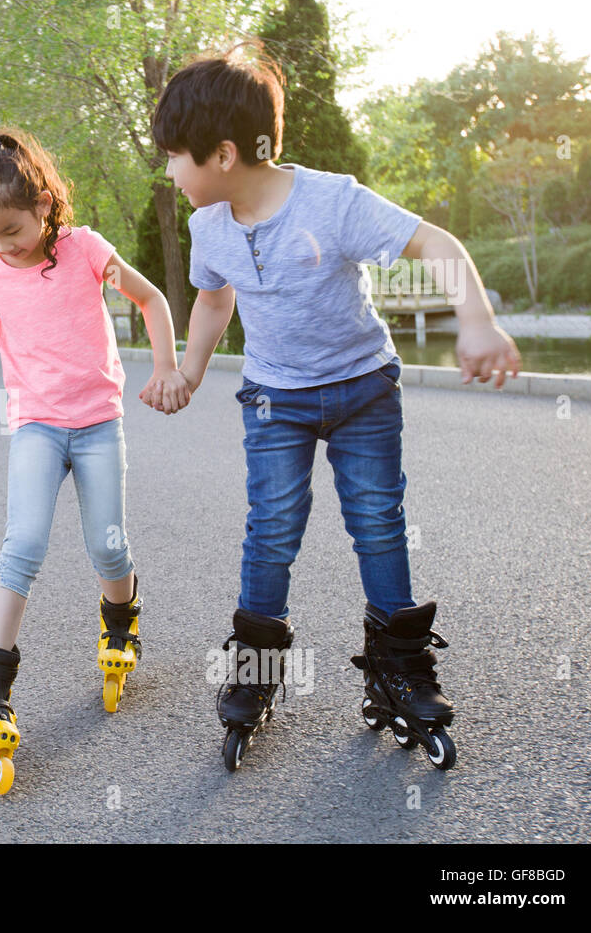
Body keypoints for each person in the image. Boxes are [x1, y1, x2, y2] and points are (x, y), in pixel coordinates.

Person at [150, 46, 522, 771]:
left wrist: (475, 318)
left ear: (223, 153)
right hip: (274, 400)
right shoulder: (209, 224)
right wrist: (189, 368)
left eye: (174, 158)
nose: (168, 172)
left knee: (379, 522)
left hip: (363, 389)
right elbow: (215, 294)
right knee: (272, 528)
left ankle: (401, 670)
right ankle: (257, 674)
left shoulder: (331, 200)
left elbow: (433, 241)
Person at [0, 129, 190, 794]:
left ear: (45, 203)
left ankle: (120, 623)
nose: (2, 246)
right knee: (22, 545)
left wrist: (167, 366)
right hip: (35, 427)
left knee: (108, 548)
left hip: (96, 425)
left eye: (12, 230)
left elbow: (151, 299)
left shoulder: (85, 250)